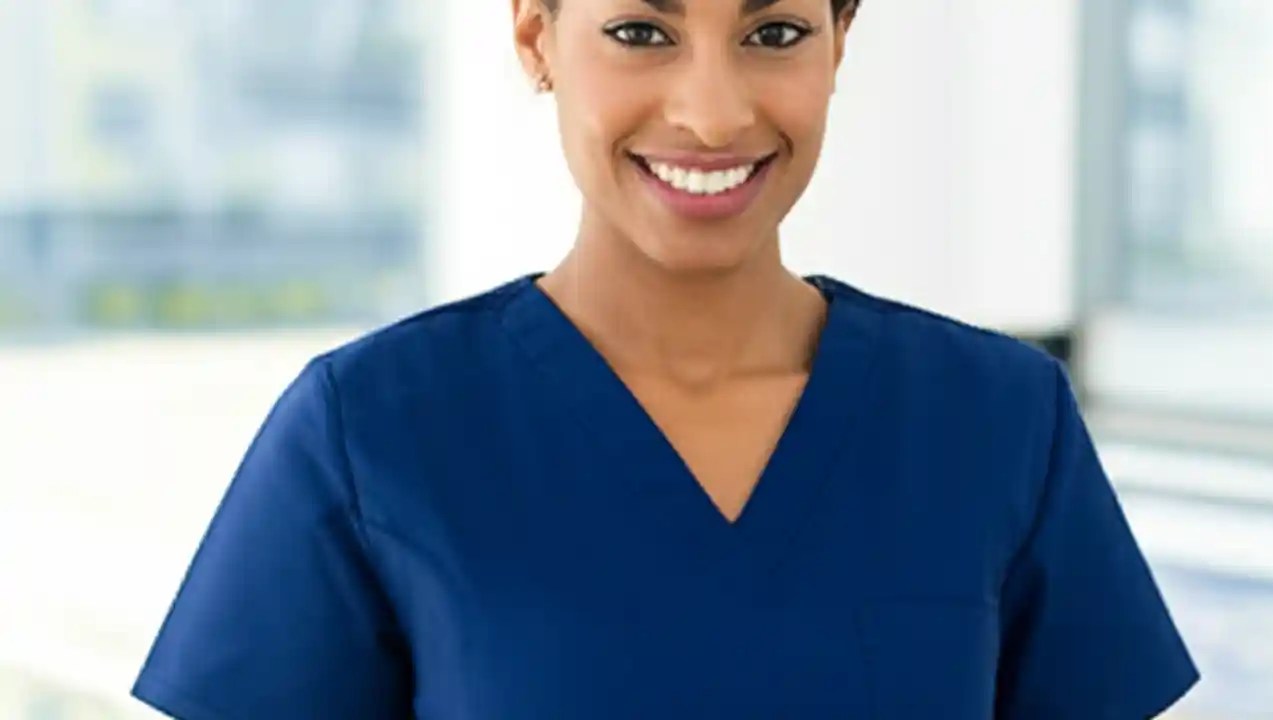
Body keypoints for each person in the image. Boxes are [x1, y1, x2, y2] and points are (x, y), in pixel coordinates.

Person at [131, 0, 1201, 717]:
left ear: (840, 44)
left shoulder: (994, 420)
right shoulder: (368, 431)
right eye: (642, 32)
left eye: (773, 33)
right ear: (535, 35)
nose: (710, 111)